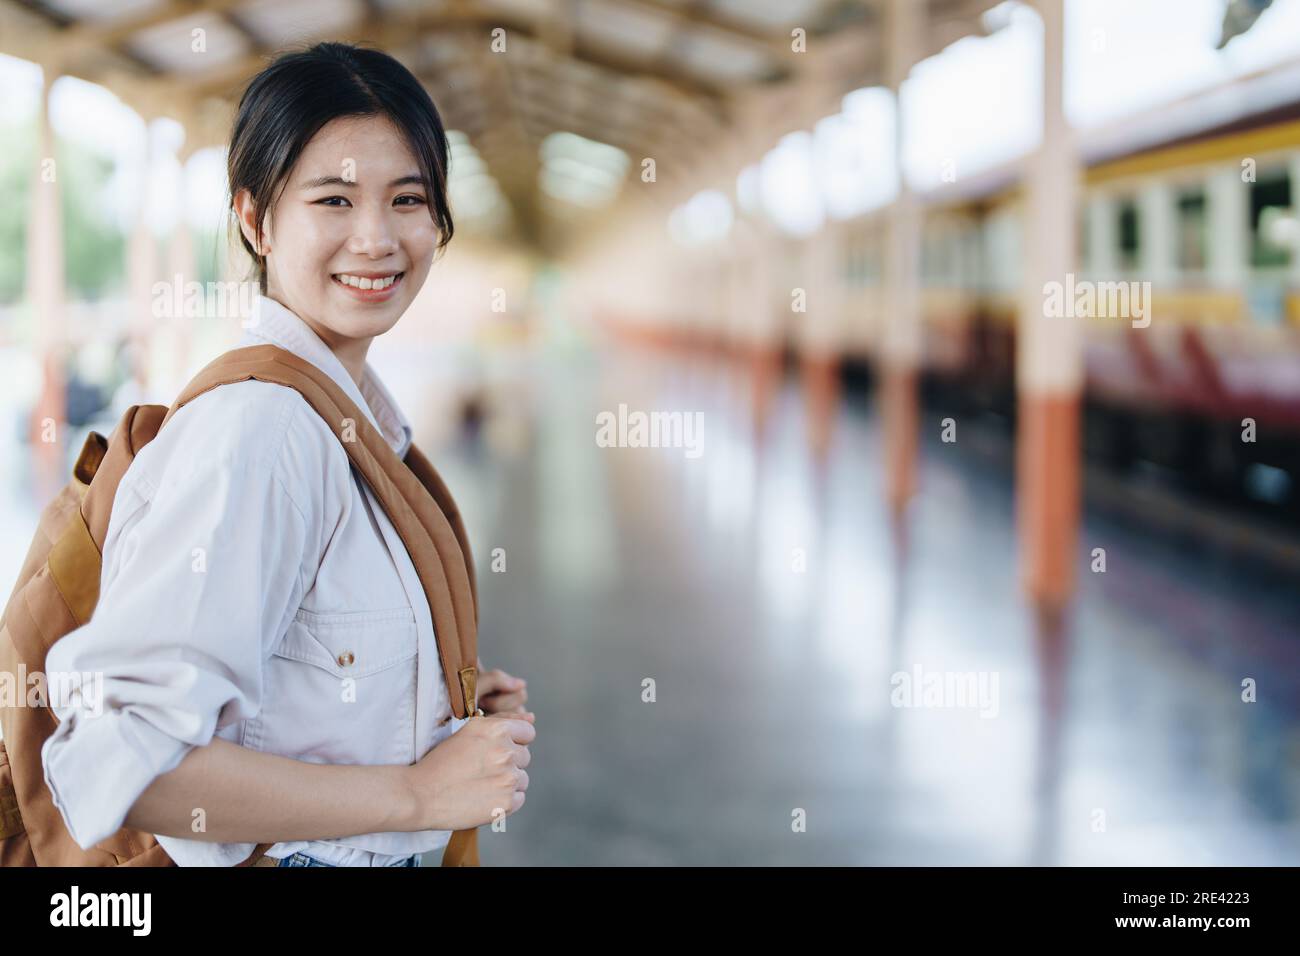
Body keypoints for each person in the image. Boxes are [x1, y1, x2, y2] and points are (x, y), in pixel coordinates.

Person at [39, 42, 535, 867]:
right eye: (333, 200)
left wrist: (412, 697)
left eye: (406, 198)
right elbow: (127, 764)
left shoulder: (345, 422)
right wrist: (417, 793)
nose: (375, 238)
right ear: (256, 220)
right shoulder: (261, 434)